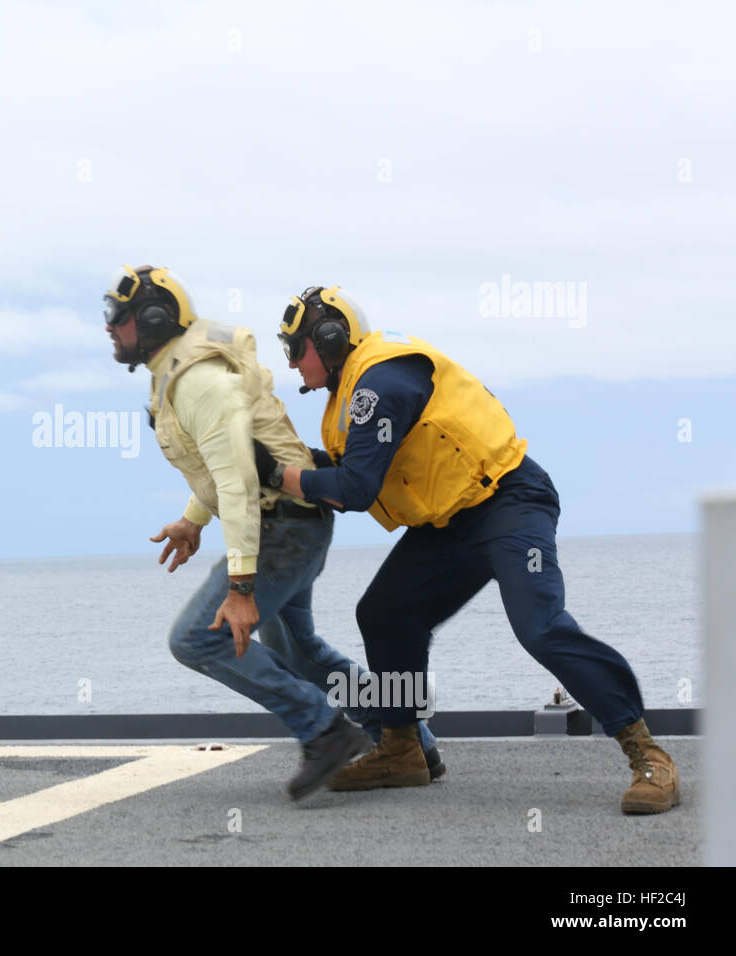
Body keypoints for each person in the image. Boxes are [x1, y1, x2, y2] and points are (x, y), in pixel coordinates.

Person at [254, 285, 679, 813]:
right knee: (386, 613)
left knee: (540, 628)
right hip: (450, 522)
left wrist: (276, 473)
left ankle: (648, 753)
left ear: (331, 339)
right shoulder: (354, 391)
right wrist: (279, 461)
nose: (291, 362)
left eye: (295, 349)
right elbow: (351, 468)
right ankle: (403, 749)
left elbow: (357, 490)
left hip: (509, 502)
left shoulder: (377, 385)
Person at [102, 265, 441, 799]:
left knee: (194, 639)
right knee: (299, 655)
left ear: (151, 319)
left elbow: (239, 480)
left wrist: (240, 589)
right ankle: (409, 740)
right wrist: (193, 519)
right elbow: (222, 462)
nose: (109, 329)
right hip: (291, 523)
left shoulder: (197, 380)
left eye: (116, 318)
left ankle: (324, 730)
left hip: (280, 529)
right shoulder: (179, 373)